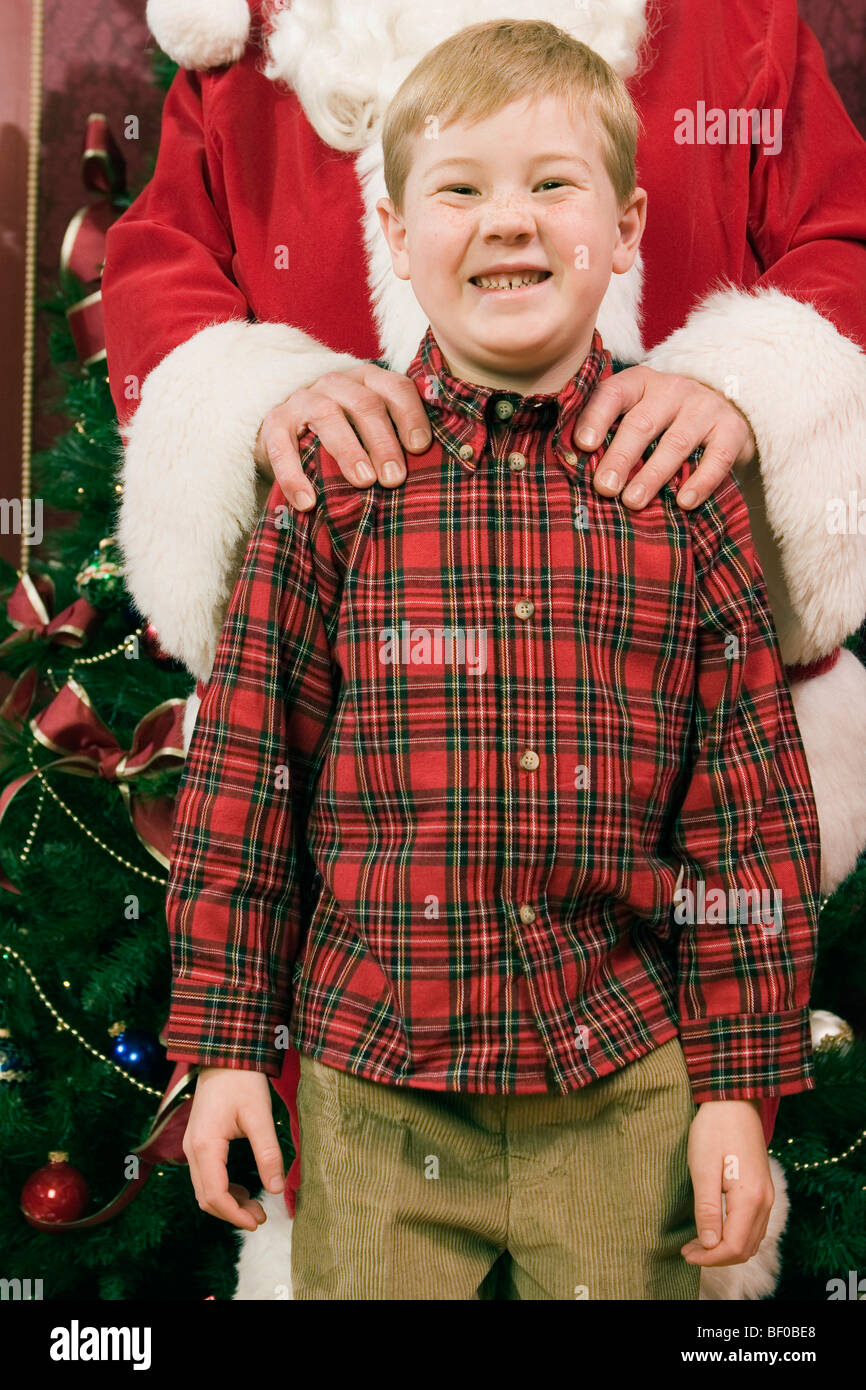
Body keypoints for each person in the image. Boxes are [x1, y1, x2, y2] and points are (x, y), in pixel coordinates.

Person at [103, 0, 866, 1297]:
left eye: (551, 185)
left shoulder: (683, 502)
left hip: (622, 1081)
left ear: (622, 226)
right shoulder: (326, 497)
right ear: (393, 233)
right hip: (373, 1088)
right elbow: (244, 791)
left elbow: (747, 819)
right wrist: (227, 1046)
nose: (508, 222)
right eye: (458, 189)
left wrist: (737, 1087)